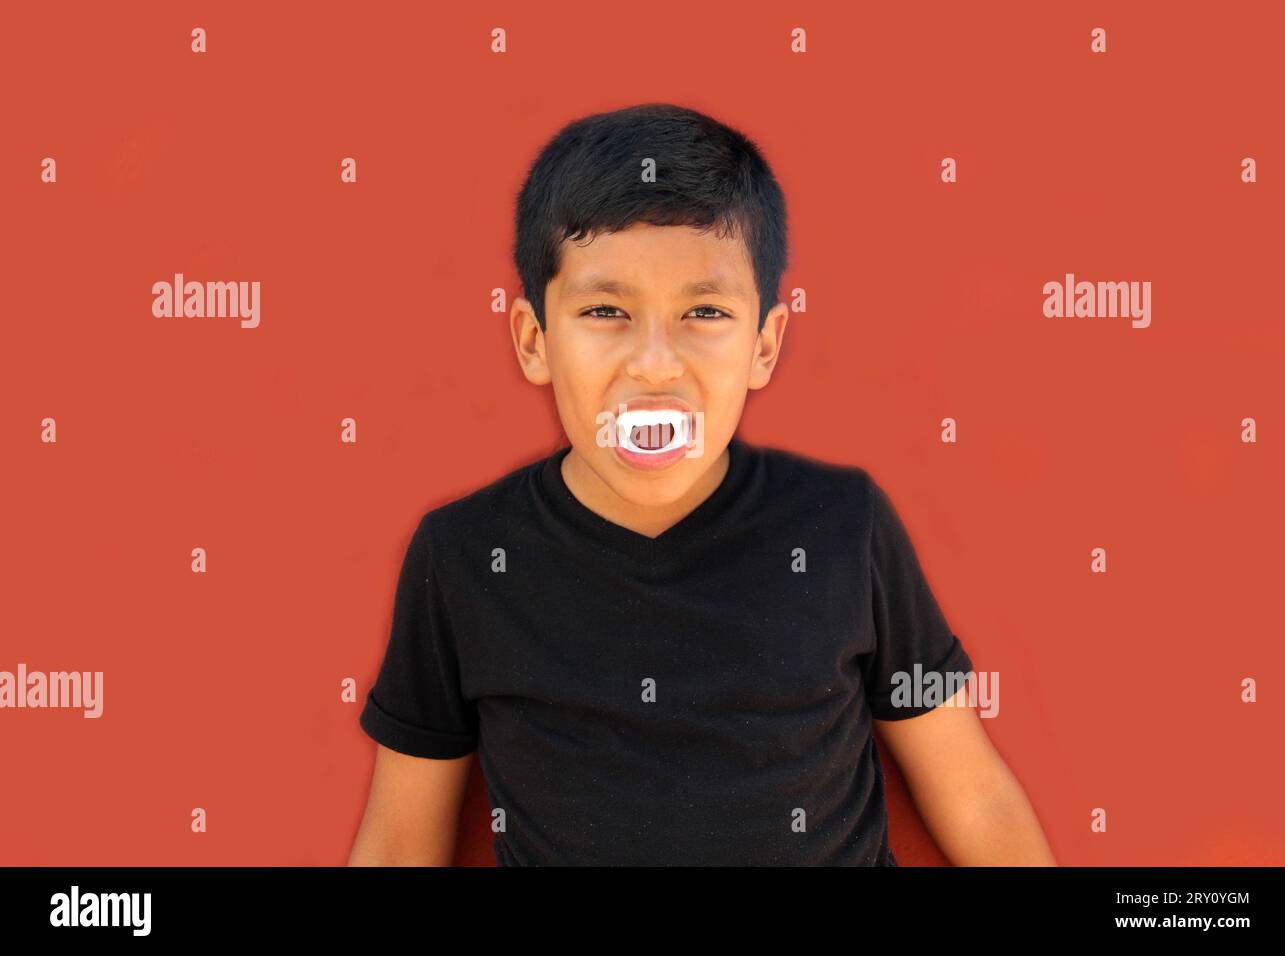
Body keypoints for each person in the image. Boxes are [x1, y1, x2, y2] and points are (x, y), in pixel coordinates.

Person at [347, 102, 1055, 866]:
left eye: (705, 312)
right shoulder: (463, 556)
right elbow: (398, 841)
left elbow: (972, 790)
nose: (655, 363)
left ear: (763, 345)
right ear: (533, 341)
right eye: (606, 310)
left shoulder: (845, 525)